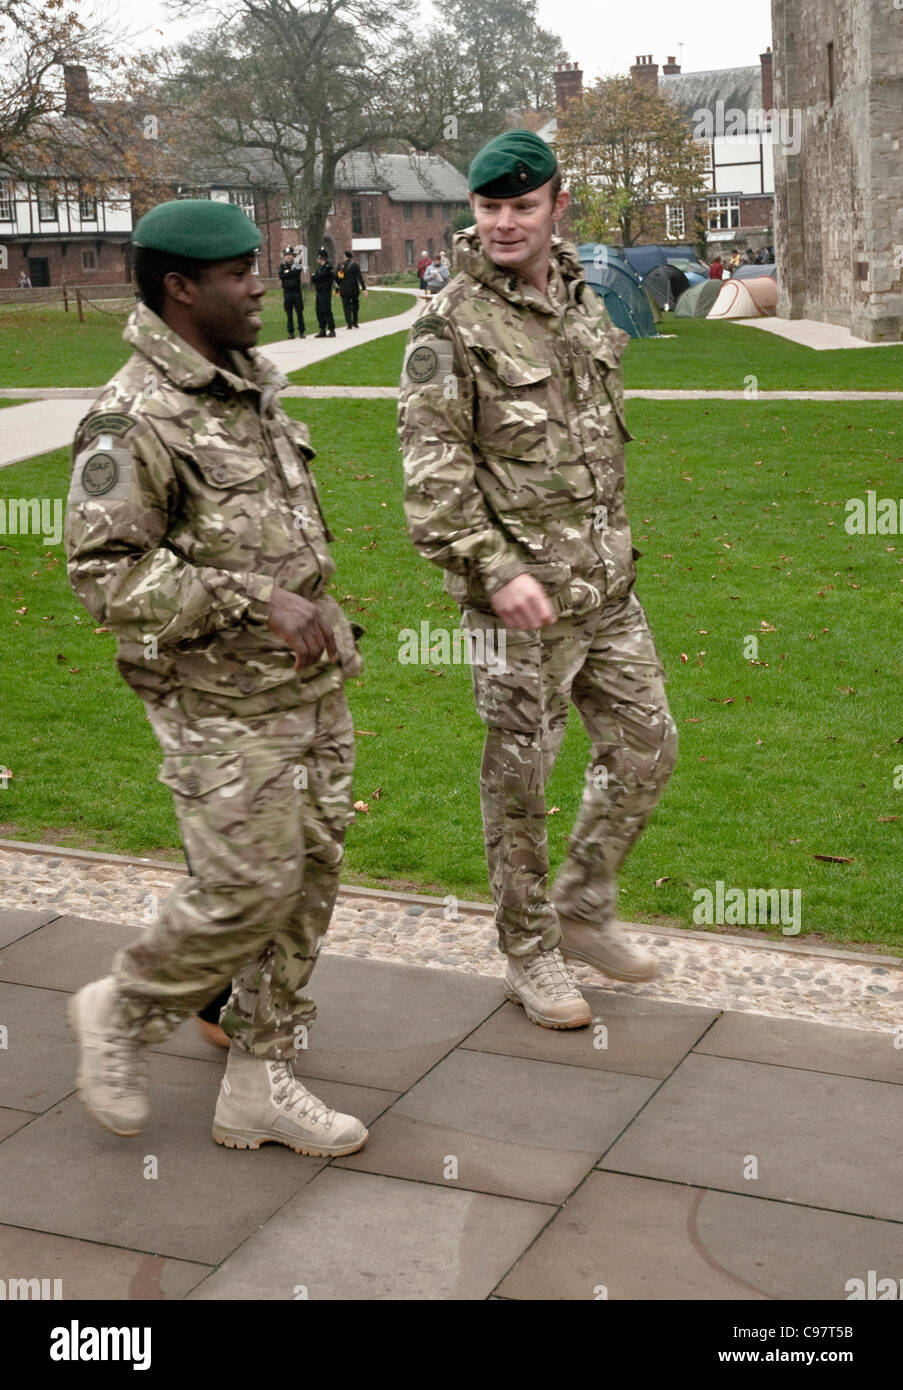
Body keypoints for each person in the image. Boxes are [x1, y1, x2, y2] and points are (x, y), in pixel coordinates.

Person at [63, 198, 368, 1157]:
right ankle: (122, 1010)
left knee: (308, 879)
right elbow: (103, 576)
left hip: (308, 687)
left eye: (260, 264)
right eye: (240, 272)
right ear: (179, 289)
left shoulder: (247, 383)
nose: (261, 283)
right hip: (215, 702)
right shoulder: (130, 419)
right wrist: (251, 599)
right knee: (244, 889)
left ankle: (256, 1080)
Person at [398, 131, 678, 1030]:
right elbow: (432, 480)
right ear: (473, 212)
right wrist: (497, 570)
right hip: (518, 608)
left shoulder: (584, 299)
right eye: (489, 207)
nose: (505, 221)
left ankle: (583, 904)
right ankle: (528, 950)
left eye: (522, 205)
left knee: (646, 748)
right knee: (520, 778)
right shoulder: (447, 325)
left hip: (604, 589)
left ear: (559, 205)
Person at [334, 249, 367, 328]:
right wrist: (364, 289)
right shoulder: (355, 265)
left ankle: (349, 324)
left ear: (345, 256)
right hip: (354, 289)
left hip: (344, 289)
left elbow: (337, 278)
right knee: (355, 306)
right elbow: (360, 278)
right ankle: (355, 322)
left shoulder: (340, 266)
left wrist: (337, 288)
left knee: (346, 307)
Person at [278, 245, 306, 338]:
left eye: (290, 255)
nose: (288, 257)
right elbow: (281, 276)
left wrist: (288, 272)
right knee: (289, 313)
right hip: (287, 293)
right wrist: (289, 272)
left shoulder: (297, 265)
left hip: (296, 292)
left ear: (293, 256)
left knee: (299, 313)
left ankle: (302, 331)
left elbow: (296, 273)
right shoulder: (282, 266)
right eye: (287, 255)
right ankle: (291, 332)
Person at [311, 249, 336, 337]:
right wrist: (316, 277)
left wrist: (316, 276)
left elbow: (321, 277)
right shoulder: (320, 268)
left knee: (326, 310)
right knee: (319, 311)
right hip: (319, 292)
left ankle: (332, 329)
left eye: (318, 257)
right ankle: (322, 329)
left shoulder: (328, 268)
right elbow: (313, 279)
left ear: (321, 258)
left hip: (325, 292)